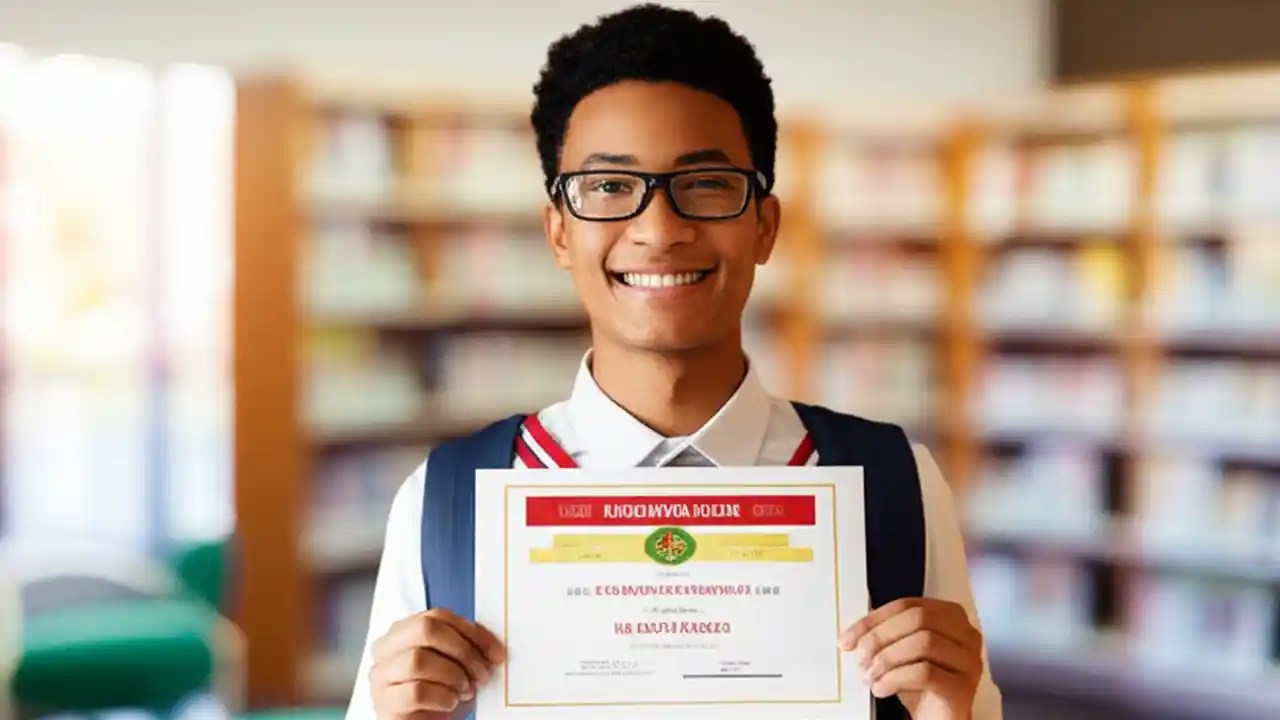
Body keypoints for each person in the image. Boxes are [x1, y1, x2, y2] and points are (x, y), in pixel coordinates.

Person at [346, 5, 1002, 719]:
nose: (659, 231)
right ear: (558, 232)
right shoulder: (450, 500)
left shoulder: (894, 484)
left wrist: (948, 712)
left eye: (707, 183)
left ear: (764, 225)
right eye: (609, 187)